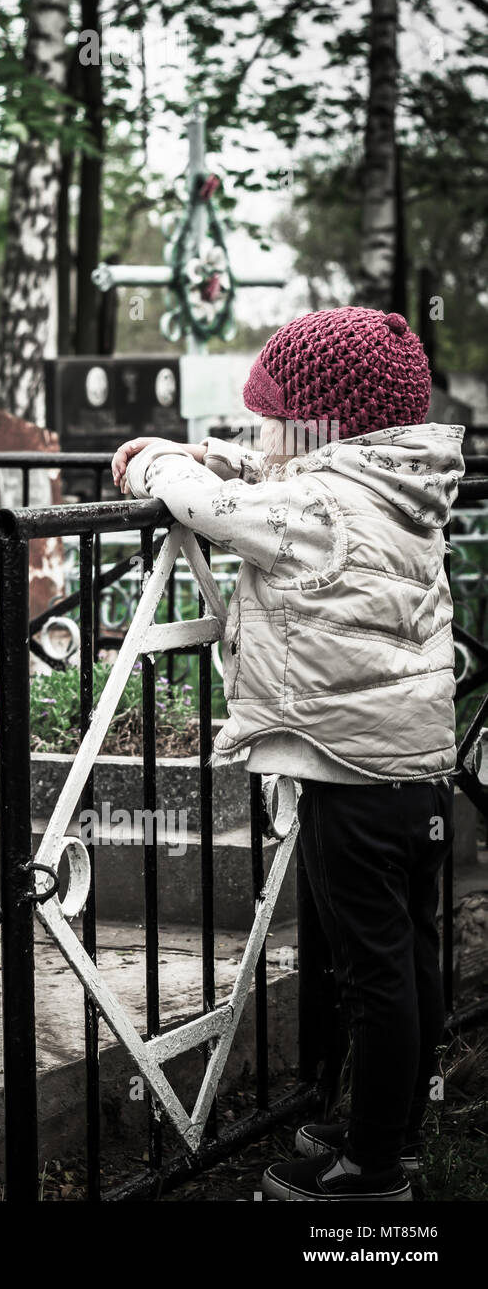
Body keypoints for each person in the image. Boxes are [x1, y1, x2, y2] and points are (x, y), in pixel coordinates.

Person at [111, 306, 464, 1202]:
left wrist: (159, 464)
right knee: (409, 956)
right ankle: (397, 1131)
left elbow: (218, 507)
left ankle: (369, 1170)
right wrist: (225, 453)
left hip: (348, 770)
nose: (257, 431)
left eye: (268, 415)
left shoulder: (313, 505)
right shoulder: (394, 486)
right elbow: (272, 474)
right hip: (415, 769)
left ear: (320, 425)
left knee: (371, 971)